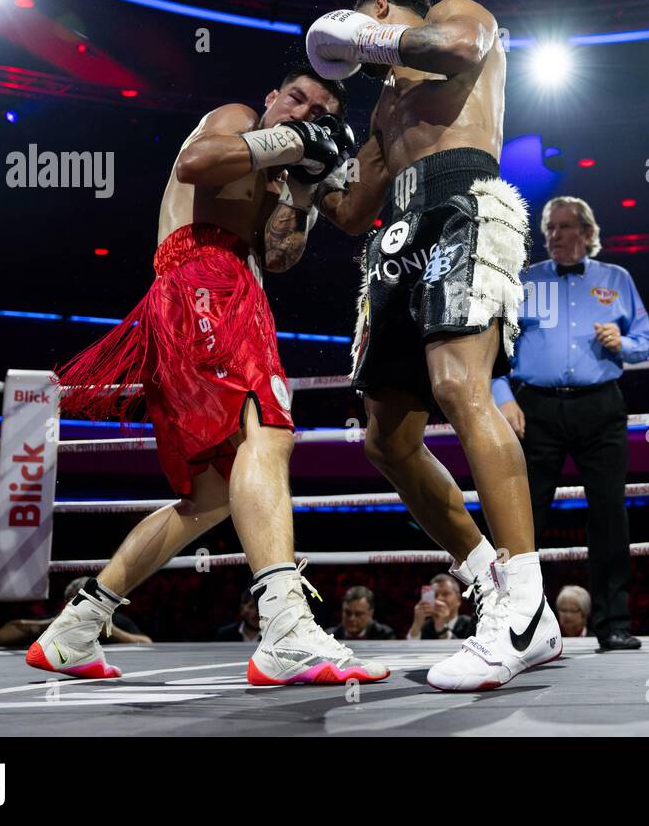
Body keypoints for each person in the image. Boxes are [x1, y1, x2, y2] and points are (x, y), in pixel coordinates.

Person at [31, 66, 388, 686]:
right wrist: (299, 142)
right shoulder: (236, 119)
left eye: (319, 111)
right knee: (269, 436)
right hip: (205, 282)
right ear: (271, 97)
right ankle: (283, 628)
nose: (302, 112)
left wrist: (303, 190)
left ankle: (76, 627)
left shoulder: (275, 168)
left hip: (222, 295)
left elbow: (278, 257)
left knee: (212, 497)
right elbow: (198, 162)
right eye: (295, 98)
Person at [305, 0, 561, 690]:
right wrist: (304, 165)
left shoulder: (455, 13)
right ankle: (492, 583)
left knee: (458, 384)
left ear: (379, 10)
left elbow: (460, 48)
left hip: (463, 205)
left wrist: (357, 35)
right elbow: (355, 208)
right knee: (386, 439)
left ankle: (522, 599)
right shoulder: (386, 100)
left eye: (362, 26)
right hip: (397, 237)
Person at [492, 197, 649, 652]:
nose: (555, 236)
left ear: (587, 232)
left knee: (609, 515)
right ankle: (513, 624)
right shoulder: (524, 281)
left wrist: (623, 341)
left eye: (565, 227)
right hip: (534, 408)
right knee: (525, 517)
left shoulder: (616, 279)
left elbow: (648, 340)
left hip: (600, 407)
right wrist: (504, 398)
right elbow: (493, 351)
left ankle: (614, 623)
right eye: (549, 228)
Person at [0, 576, 150, 647]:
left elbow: (146, 643)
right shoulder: (57, 618)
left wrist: (111, 632)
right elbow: (1, 637)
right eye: (77, 600)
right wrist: (49, 624)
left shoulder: (113, 620)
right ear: (67, 603)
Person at [408, 573, 474, 640]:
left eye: (445, 594)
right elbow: (410, 649)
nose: (439, 598)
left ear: (458, 600)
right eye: (435, 595)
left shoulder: (471, 624)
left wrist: (441, 628)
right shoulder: (426, 626)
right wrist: (417, 625)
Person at [327, 586, 397, 640]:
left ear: (370, 614)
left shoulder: (385, 636)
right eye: (348, 613)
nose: (352, 618)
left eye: (358, 614)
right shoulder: (328, 637)